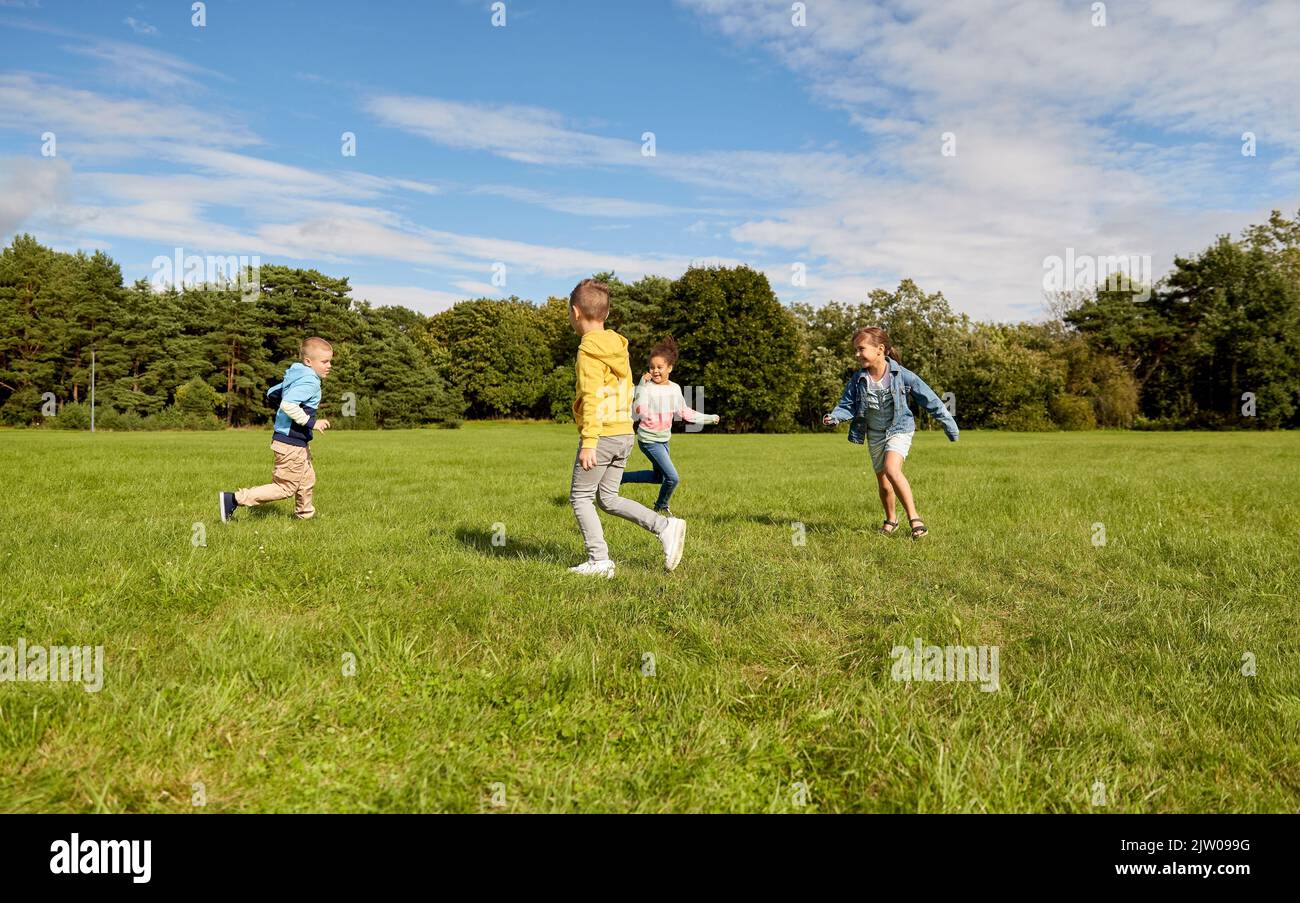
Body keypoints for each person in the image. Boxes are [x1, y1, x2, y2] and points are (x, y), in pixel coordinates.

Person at [566, 279, 687, 577]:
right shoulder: (618, 347)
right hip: (623, 433)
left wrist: (590, 441)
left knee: (580, 497)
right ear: (605, 314)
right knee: (607, 498)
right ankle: (664, 525)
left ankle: (599, 561)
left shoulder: (588, 351)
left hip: (603, 434)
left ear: (575, 312)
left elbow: (593, 397)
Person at [824, 327, 958, 538]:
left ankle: (915, 519)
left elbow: (930, 399)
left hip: (899, 428)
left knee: (891, 469)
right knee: (884, 483)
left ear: (880, 349)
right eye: (855, 350)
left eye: (861, 349)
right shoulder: (859, 379)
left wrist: (949, 426)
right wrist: (835, 416)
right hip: (875, 432)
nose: (857, 354)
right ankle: (891, 520)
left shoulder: (902, 375)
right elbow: (847, 404)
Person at [220, 337, 333, 522]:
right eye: (325, 362)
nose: (329, 366)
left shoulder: (296, 374)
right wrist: (311, 422)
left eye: (330, 361)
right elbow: (288, 405)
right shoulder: (310, 381)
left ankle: (305, 516)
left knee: (307, 479)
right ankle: (233, 499)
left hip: (292, 440)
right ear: (308, 362)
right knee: (285, 487)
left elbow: (272, 393)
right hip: (291, 442)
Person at [621, 336, 720, 516]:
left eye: (659, 367)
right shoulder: (646, 388)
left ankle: (618, 478)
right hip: (649, 440)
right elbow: (639, 411)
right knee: (673, 478)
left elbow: (684, 412)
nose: (655, 371)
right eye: (652, 367)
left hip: (664, 440)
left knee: (658, 477)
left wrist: (709, 418)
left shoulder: (674, 389)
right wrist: (642, 385)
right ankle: (661, 506)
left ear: (670, 368)